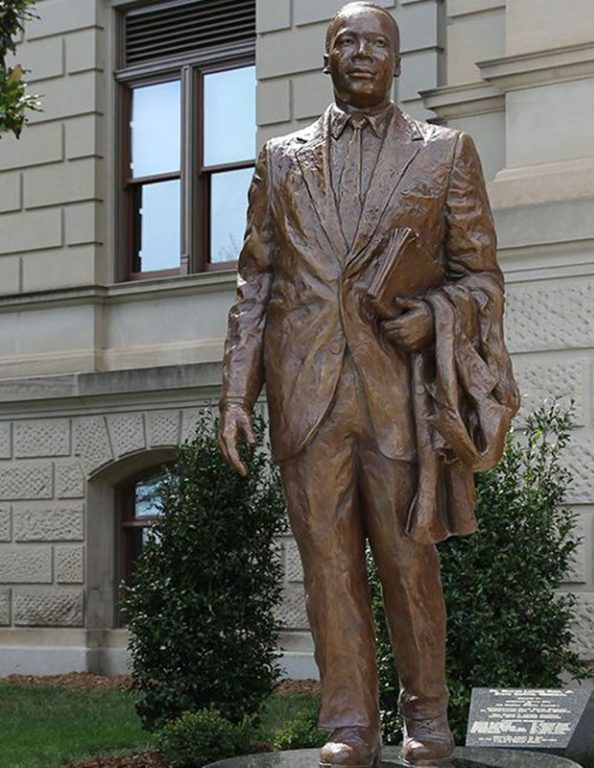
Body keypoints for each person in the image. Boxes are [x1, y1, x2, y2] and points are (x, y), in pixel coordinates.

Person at [218, 3, 518, 766]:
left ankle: (427, 716)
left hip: (399, 395)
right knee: (328, 569)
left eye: (375, 43)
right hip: (305, 395)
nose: (360, 53)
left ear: (396, 60)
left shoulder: (445, 153)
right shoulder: (280, 159)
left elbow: (481, 276)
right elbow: (256, 283)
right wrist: (234, 395)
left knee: (409, 561)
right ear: (325, 59)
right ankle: (350, 722)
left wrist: (436, 315)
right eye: (345, 42)